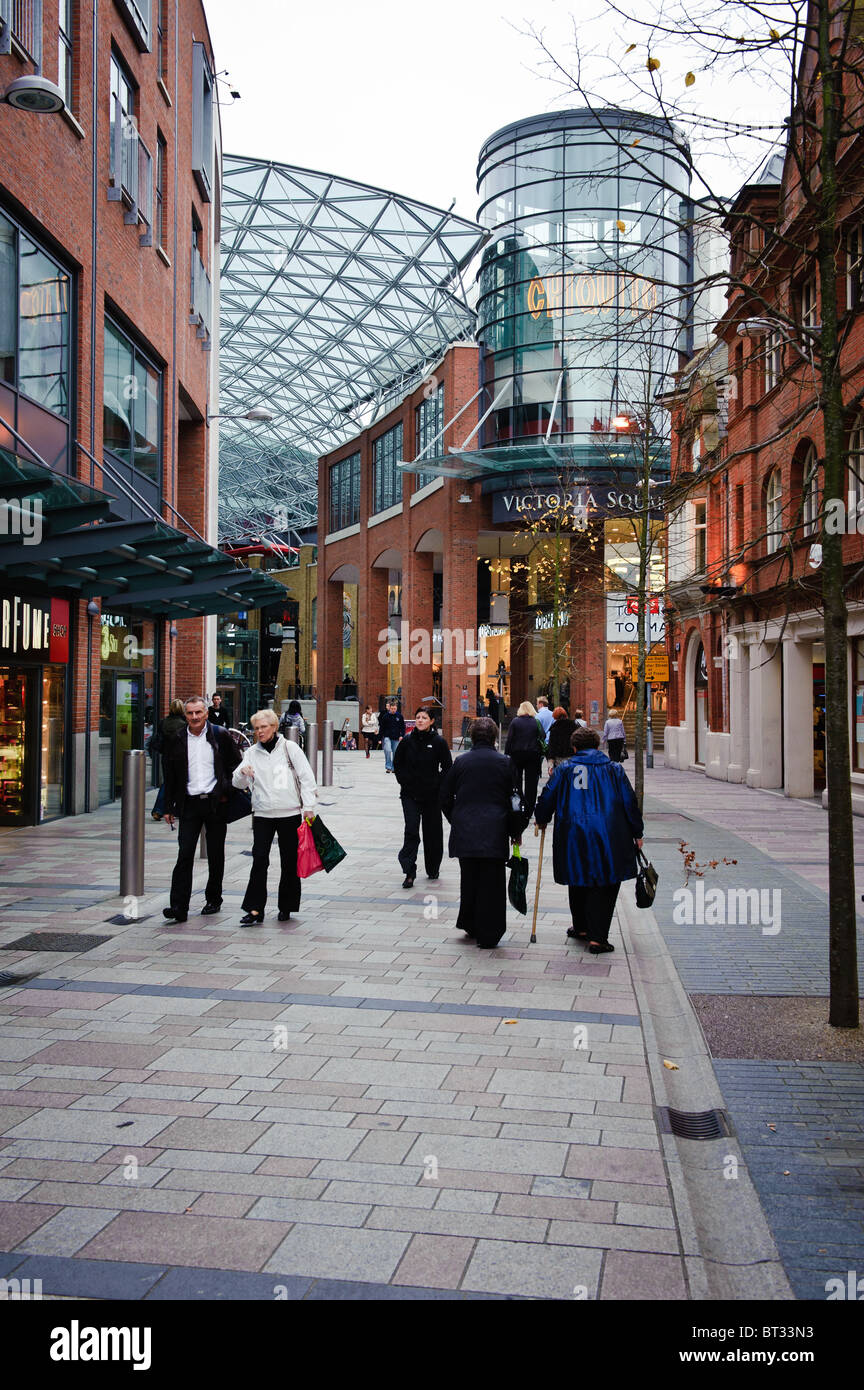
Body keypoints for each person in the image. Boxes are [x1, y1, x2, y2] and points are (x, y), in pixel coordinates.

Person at [535, 726, 644, 953]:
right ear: (597, 746)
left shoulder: (565, 769)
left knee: (578, 876)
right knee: (605, 881)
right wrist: (637, 831)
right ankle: (597, 937)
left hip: (573, 831)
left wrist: (541, 818)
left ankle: (582, 927)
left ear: (574, 747)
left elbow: (548, 796)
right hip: (608, 832)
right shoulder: (613, 769)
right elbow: (629, 802)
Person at [232, 708, 317, 926]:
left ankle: (286, 906)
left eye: (263, 727)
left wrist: (308, 806)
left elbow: (306, 777)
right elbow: (237, 783)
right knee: (259, 859)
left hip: (289, 813)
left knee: (289, 860)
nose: (259, 731)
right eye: (256, 728)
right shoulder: (251, 752)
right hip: (262, 814)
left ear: (274, 727)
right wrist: (243, 773)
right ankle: (254, 909)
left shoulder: (290, 748)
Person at [440, 716, 520, 949]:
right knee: (492, 883)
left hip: (466, 829)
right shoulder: (505, 763)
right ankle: (490, 932)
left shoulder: (462, 762)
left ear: (472, 737)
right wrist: (515, 830)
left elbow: (444, 795)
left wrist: (455, 818)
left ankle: (471, 922)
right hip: (495, 830)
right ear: (494, 737)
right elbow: (516, 800)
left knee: (470, 878)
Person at [161, 696, 243, 923]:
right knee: (185, 854)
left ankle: (213, 899)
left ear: (206, 713)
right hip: (189, 804)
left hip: (216, 803)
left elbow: (236, 766)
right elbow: (170, 775)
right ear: (185, 715)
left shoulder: (220, 735)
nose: (194, 717)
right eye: (190, 713)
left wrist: (225, 789)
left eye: (198, 712)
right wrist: (167, 806)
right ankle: (179, 907)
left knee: (216, 854)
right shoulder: (177, 738)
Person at [393, 708, 452, 888]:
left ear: (431, 721)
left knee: (432, 832)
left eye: (424, 718)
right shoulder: (407, 741)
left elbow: (448, 767)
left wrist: (437, 784)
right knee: (411, 830)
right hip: (409, 795)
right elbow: (398, 764)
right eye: (417, 717)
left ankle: (433, 868)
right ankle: (409, 871)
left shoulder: (438, 742)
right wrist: (405, 781)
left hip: (432, 796)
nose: (419, 720)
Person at [504, 700, 546, 818]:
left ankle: (519, 802)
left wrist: (507, 754)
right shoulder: (536, 722)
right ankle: (529, 808)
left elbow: (509, 739)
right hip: (533, 755)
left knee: (516, 780)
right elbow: (543, 735)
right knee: (531, 782)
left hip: (517, 754)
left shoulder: (515, 722)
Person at [148, 698, 187, 820]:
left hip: (166, 757)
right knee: (181, 783)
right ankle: (178, 809)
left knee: (167, 783)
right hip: (181, 758)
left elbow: (158, 740)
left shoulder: (163, 722)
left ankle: (159, 809)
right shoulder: (185, 724)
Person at [378, 698, 405, 773]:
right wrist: (379, 739)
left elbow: (402, 727)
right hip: (387, 737)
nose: (393, 710)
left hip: (396, 737)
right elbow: (382, 728)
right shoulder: (385, 716)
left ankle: (394, 768)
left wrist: (401, 735)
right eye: (392, 708)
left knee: (395, 752)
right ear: (389, 708)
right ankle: (388, 767)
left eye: (395, 708)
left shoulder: (399, 716)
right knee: (388, 750)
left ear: (396, 708)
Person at [546, 706, 576, 771]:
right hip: (571, 755)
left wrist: (550, 762)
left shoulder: (554, 728)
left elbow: (552, 746)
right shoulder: (573, 725)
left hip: (558, 757)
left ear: (555, 716)